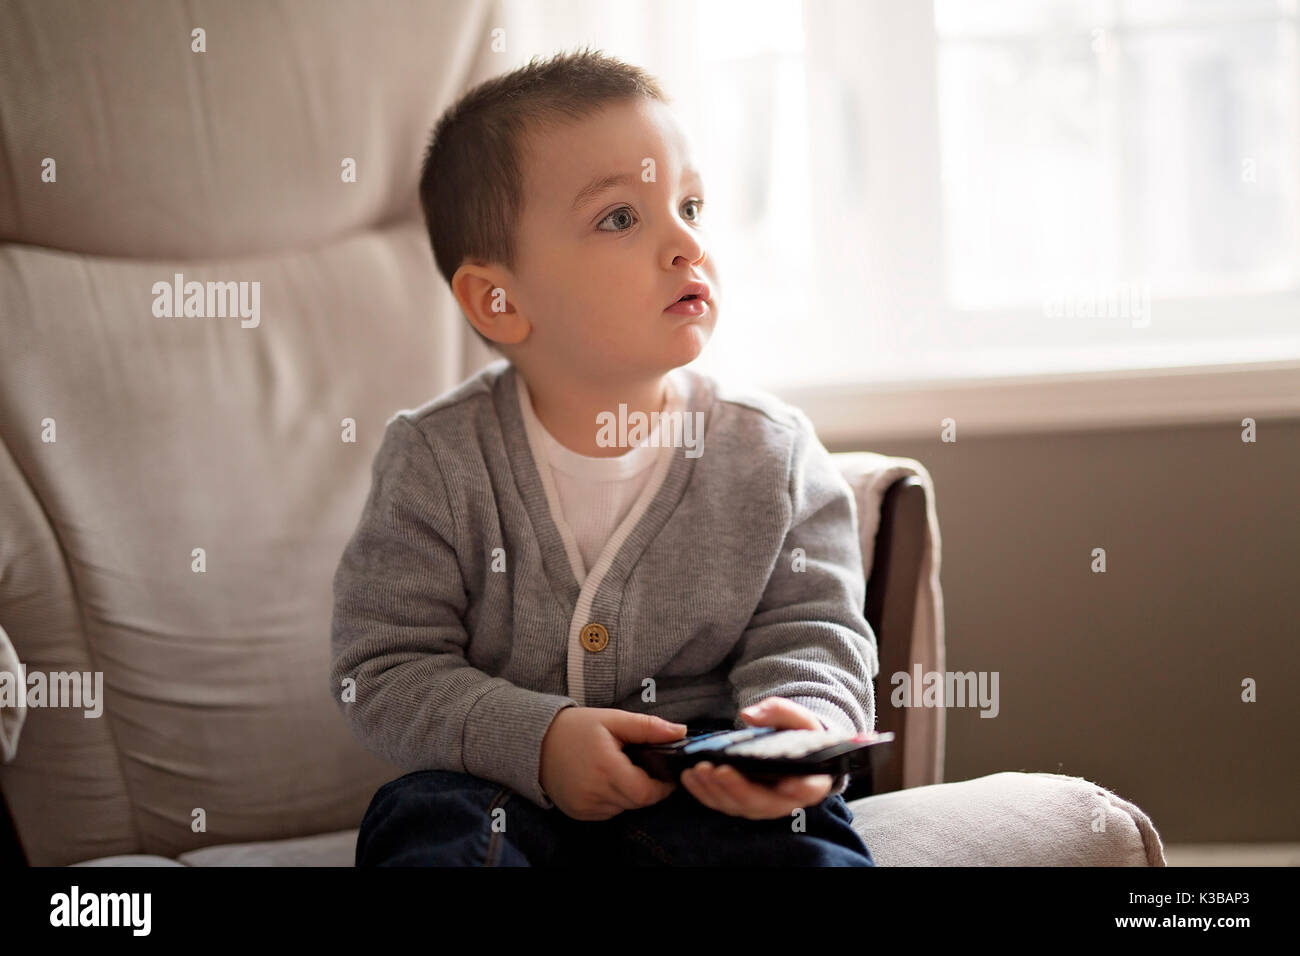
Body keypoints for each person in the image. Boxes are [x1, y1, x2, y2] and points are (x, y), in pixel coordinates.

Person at [331, 47, 879, 866]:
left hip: (709, 786)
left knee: (802, 842)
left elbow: (814, 629)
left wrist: (800, 730)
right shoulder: (436, 458)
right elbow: (384, 667)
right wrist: (537, 739)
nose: (684, 244)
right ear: (499, 299)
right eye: (622, 218)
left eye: (690, 206)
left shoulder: (772, 454)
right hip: (500, 789)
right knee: (428, 824)